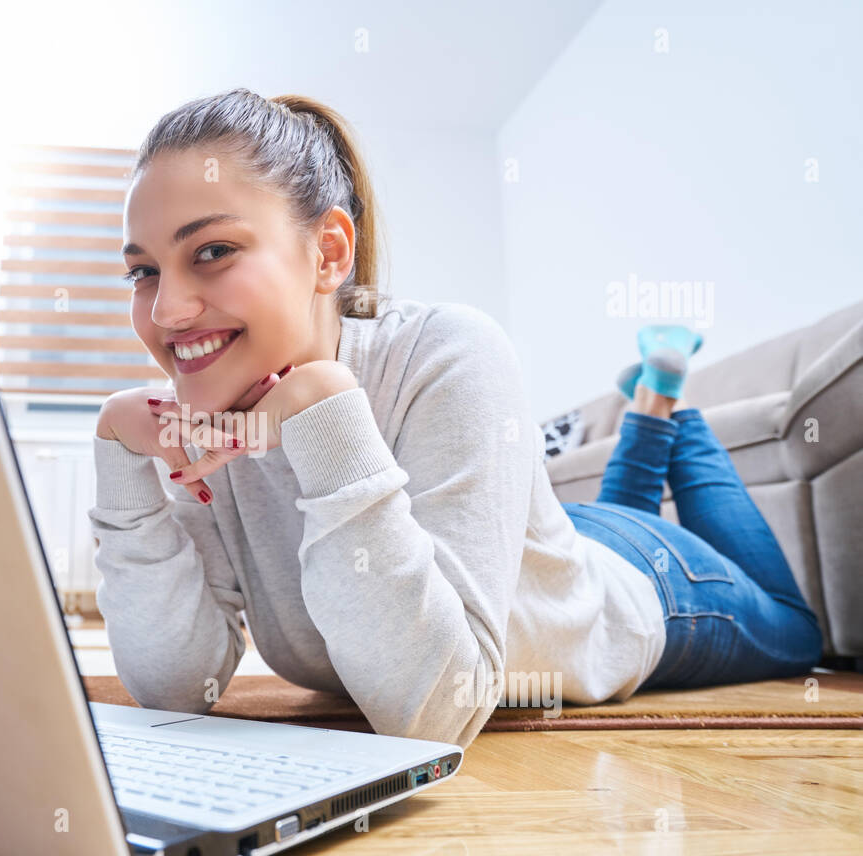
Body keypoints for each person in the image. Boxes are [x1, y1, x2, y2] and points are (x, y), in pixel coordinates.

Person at [88, 88, 822, 749]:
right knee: (580, 536)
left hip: (650, 592)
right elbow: (177, 689)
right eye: (143, 269)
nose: (166, 311)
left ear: (328, 252)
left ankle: (668, 401)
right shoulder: (208, 412)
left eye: (213, 251)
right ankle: (656, 396)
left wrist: (323, 410)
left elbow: (436, 712)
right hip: (550, 554)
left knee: (796, 629)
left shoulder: (449, 350)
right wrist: (120, 457)